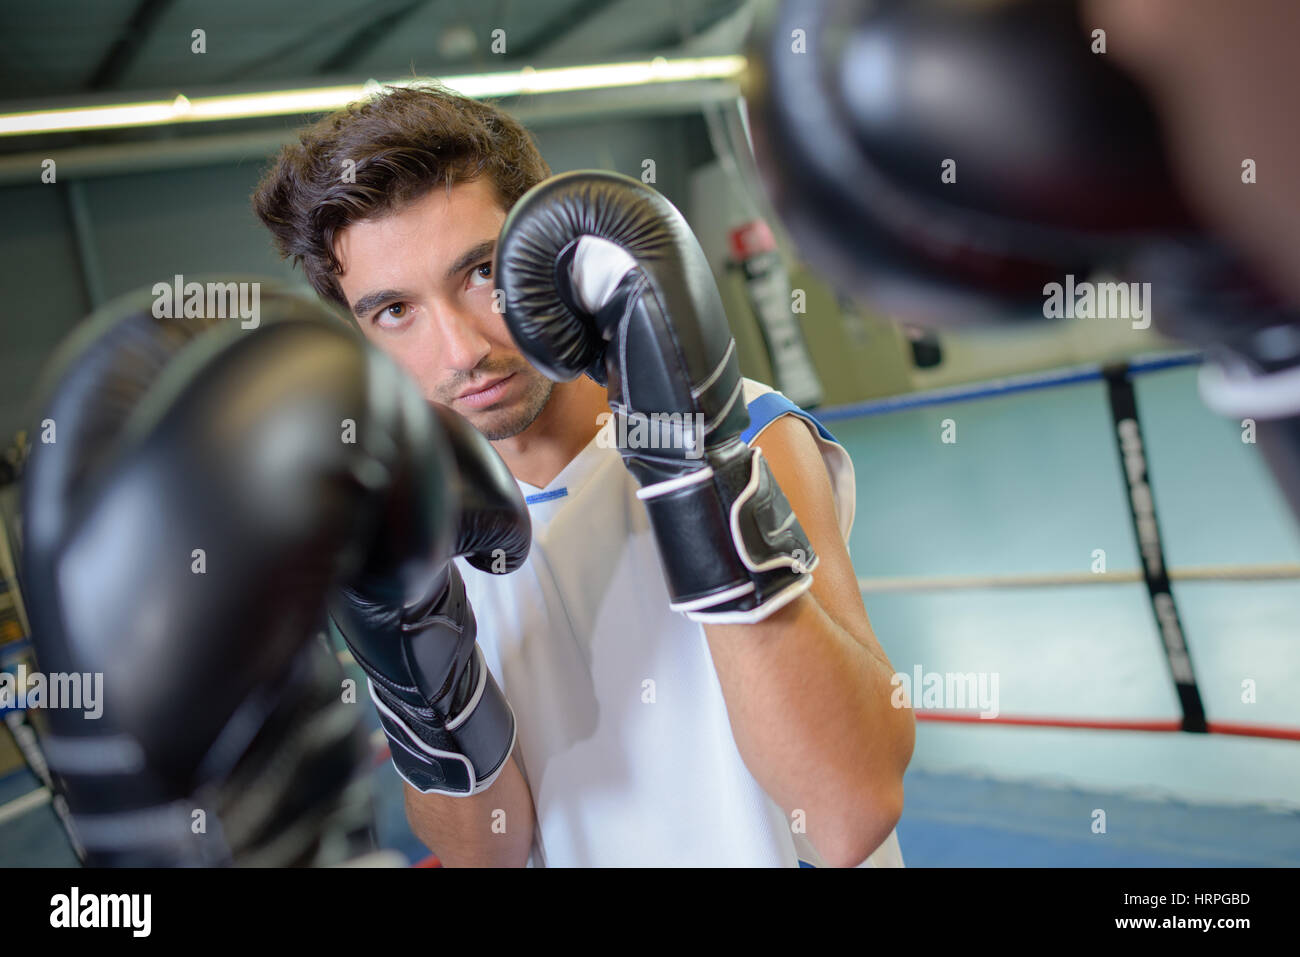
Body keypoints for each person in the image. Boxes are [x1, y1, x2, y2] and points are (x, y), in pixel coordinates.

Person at [253, 85, 913, 868]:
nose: (460, 349)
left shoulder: (752, 432)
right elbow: (486, 854)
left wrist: (693, 468)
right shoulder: (410, 531)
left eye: (481, 271)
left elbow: (849, 811)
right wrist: (418, 673)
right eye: (395, 310)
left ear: (548, 245)